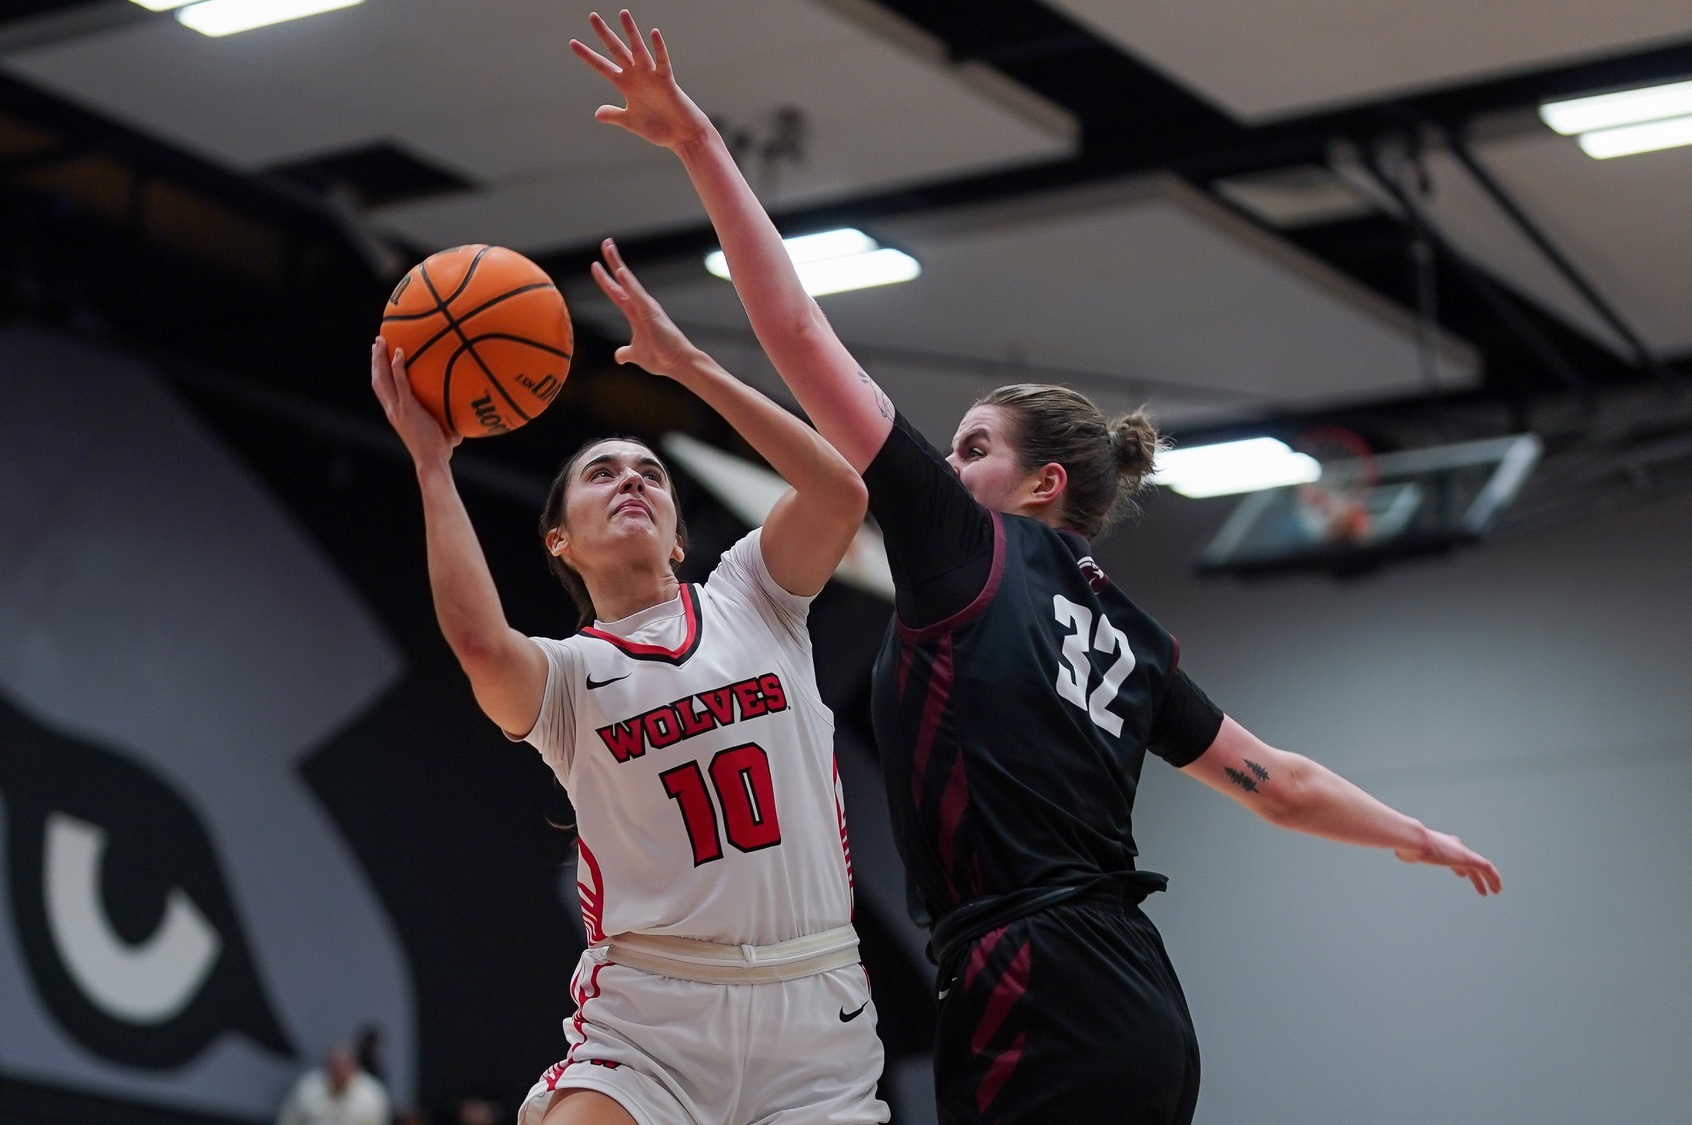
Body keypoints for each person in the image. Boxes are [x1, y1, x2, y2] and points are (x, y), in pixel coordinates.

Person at [572, 12, 1503, 1124]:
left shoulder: (968, 546)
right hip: (1136, 1000)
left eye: (969, 449)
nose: (942, 462)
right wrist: (1411, 834)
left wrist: (696, 145)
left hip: (1033, 982)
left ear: (1039, 484)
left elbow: (800, 335)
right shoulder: (1135, 642)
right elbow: (1281, 786)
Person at [369, 238, 886, 1125]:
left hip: (814, 1001)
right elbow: (482, 648)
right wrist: (431, 464)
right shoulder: (569, 680)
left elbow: (838, 493)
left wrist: (688, 368)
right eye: (600, 474)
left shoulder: (753, 598)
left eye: (650, 472)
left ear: (681, 535)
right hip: (653, 1014)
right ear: (558, 540)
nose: (630, 481)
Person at [278, 1039, 391, 1125]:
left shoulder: (371, 1094)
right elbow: (287, 1120)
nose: (340, 1072)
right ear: (327, 1066)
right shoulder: (306, 1089)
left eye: (344, 1067)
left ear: (353, 1067)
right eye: (335, 1066)